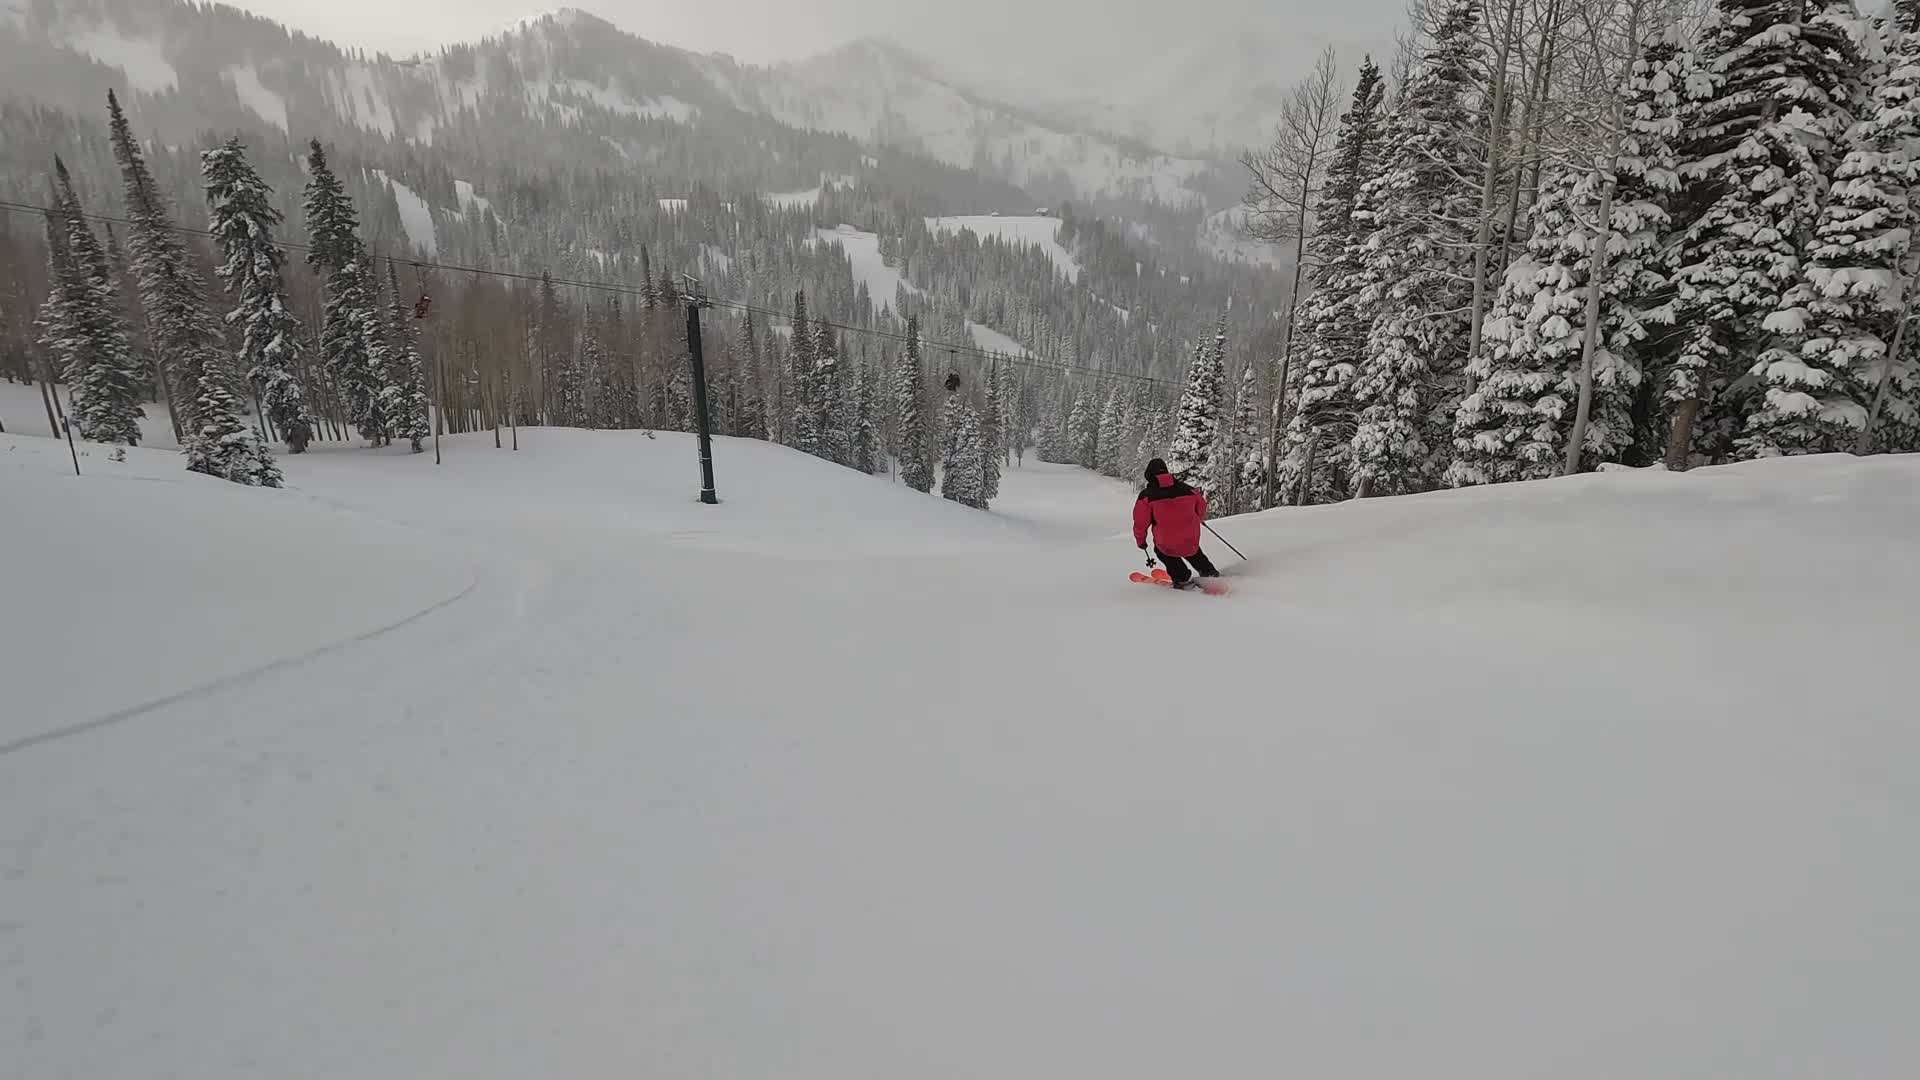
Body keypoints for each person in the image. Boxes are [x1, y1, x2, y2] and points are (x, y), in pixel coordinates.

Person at [1132, 458, 1219, 589]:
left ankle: (1181, 577)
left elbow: (1140, 523)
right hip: (1190, 536)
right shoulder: (1188, 490)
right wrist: (1197, 518)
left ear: (1149, 475)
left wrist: (1141, 541)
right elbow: (1201, 506)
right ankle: (1209, 572)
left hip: (1166, 541)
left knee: (1164, 550)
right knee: (1191, 549)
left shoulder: (1146, 496)